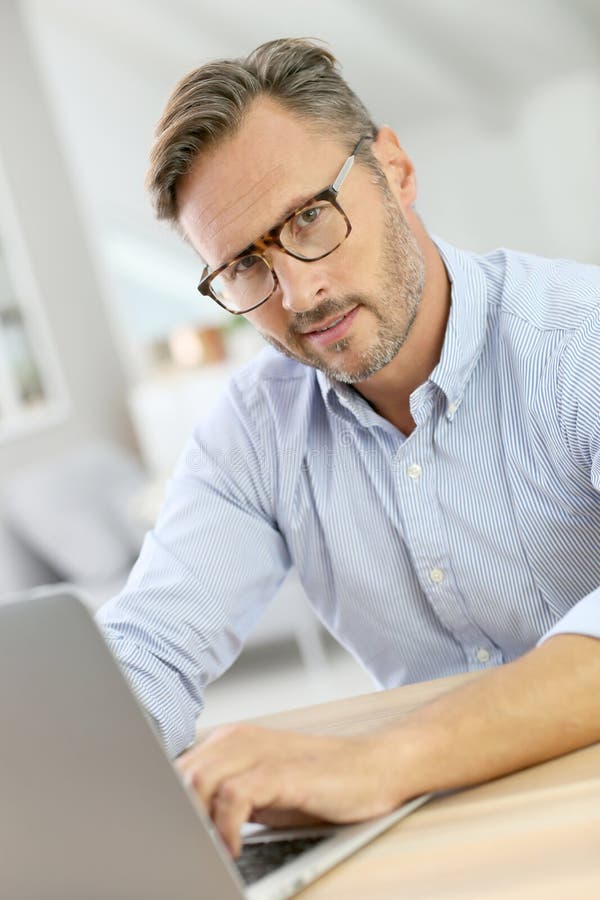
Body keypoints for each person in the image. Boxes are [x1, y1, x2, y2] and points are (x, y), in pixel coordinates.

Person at [97, 38, 600, 858]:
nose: (299, 292)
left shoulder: (581, 338)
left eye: (306, 219)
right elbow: (148, 648)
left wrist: (377, 762)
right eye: (241, 266)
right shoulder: (257, 430)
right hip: (451, 841)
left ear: (394, 170)